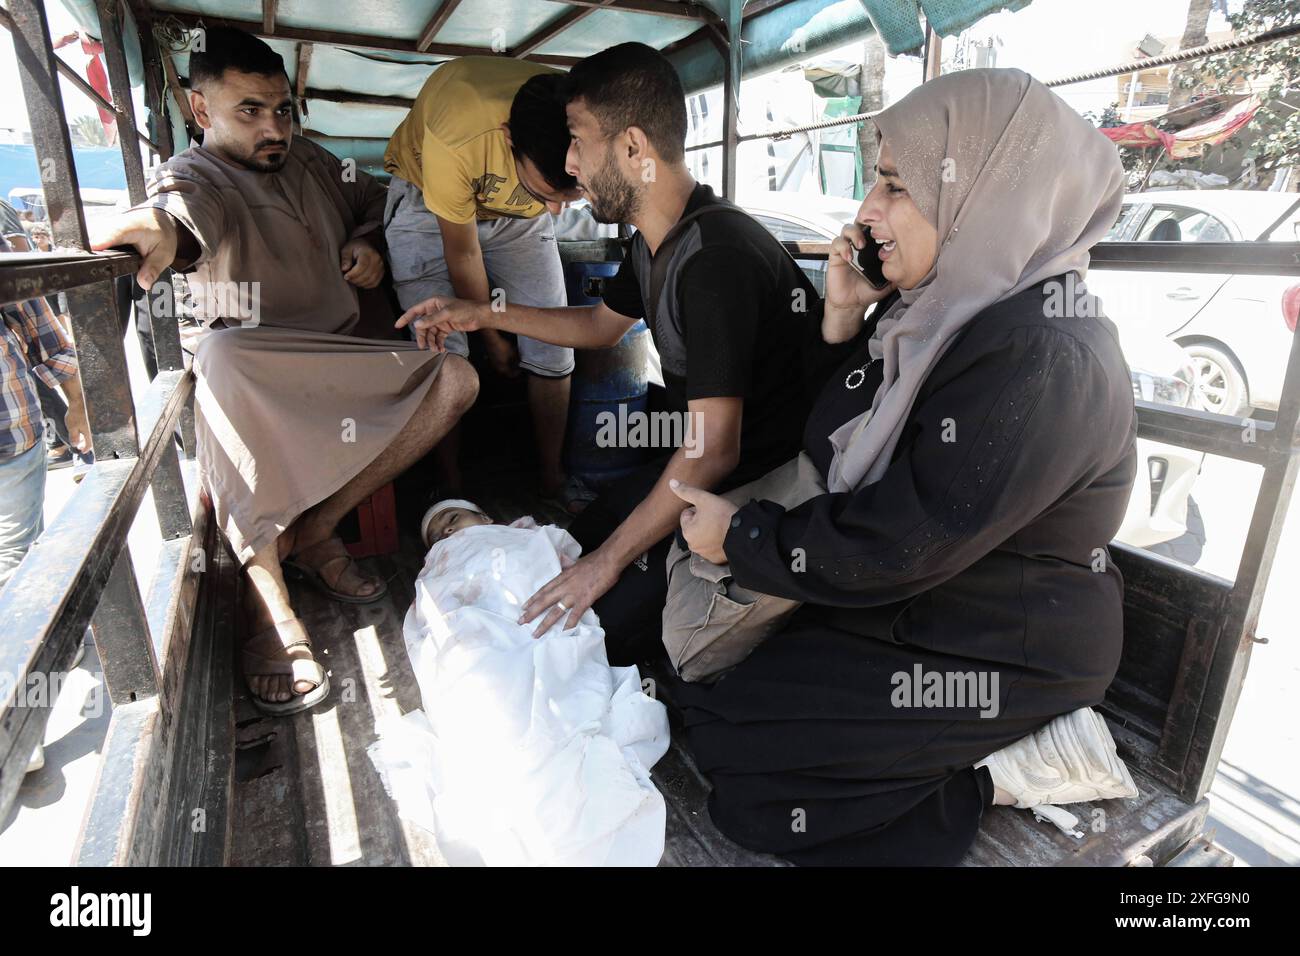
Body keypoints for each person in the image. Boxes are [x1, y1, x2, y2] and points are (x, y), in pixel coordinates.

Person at [664, 68, 1140, 865]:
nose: (866, 212)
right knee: (702, 697)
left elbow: (907, 538)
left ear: (989, 189)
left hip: (1003, 641)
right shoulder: (942, 310)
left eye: (895, 185)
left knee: (753, 789)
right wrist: (846, 318)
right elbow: (836, 443)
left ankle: (1005, 773)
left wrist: (743, 540)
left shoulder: (1042, 354)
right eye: (874, 182)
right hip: (921, 595)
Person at [399, 43, 850, 666]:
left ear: (634, 148)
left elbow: (715, 447)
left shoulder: (714, 257)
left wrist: (606, 566)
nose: (569, 162)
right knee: (573, 540)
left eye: (579, 140)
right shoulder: (653, 242)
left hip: (774, 489)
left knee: (582, 626)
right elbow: (598, 326)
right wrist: (481, 312)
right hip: (713, 469)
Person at [89, 26, 479, 715]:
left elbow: (378, 202)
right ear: (200, 110)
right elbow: (179, 215)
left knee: (456, 378)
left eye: (283, 110)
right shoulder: (197, 175)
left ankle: (318, 530)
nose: (274, 127)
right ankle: (268, 600)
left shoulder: (310, 160)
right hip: (258, 377)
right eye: (250, 111)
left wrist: (366, 242)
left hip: (338, 358)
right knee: (220, 355)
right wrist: (157, 229)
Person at [369, 496, 670, 866]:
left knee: (550, 680)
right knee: (480, 685)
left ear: (486, 517)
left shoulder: (522, 535)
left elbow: (560, 557)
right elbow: (427, 614)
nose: (445, 531)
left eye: (452, 519)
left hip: (531, 617)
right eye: (435, 534)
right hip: (474, 634)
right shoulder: (439, 563)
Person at [383, 57, 581, 503]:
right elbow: (463, 250)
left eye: (570, 195)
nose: (557, 213)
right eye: (548, 194)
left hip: (516, 218)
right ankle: (451, 487)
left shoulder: (584, 113)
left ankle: (552, 479)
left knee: (553, 342)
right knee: (441, 345)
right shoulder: (461, 128)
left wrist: (543, 197)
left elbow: (571, 324)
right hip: (427, 207)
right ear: (509, 139)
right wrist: (493, 341)